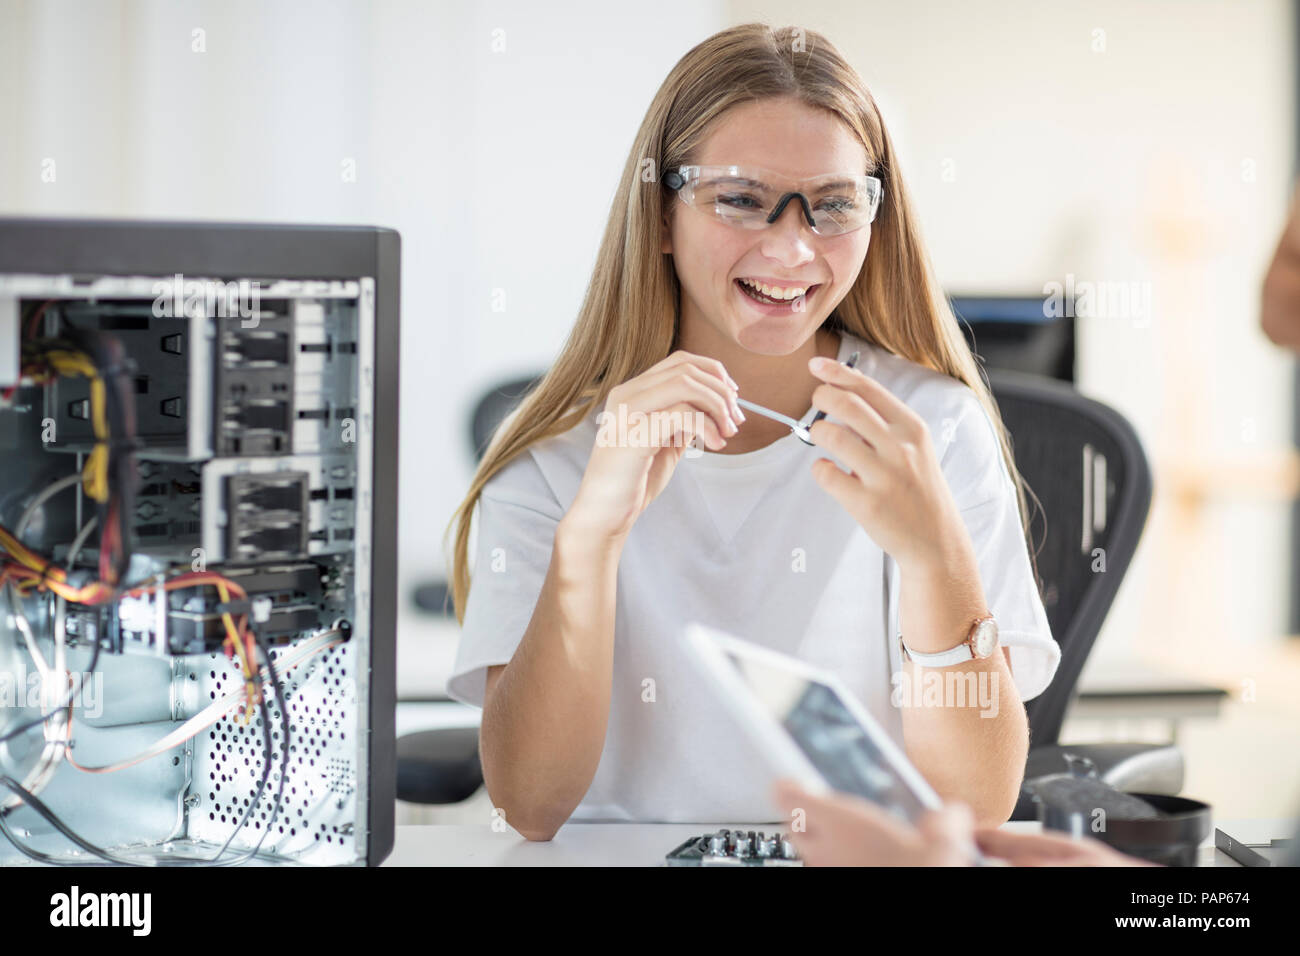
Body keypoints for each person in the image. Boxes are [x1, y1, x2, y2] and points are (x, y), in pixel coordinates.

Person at [443, 23, 1059, 842]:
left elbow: (976, 806)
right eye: (738, 198)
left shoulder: (933, 429)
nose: (793, 246)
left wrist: (933, 555)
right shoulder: (553, 456)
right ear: (660, 216)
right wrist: (590, 537)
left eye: (835, 205)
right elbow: (529, 801)